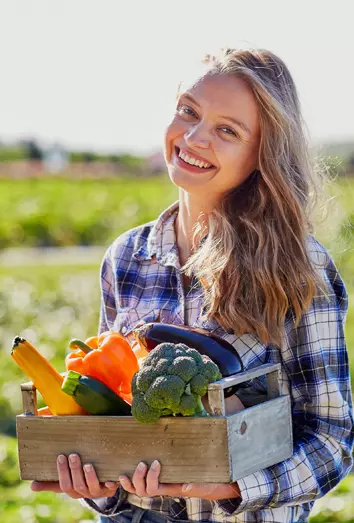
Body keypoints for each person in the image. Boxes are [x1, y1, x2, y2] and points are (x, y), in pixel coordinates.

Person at [31, 48, 354, 522]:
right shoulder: (125, 258)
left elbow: (331, 437)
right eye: (188, 111)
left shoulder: (297, 267)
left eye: (228, 130)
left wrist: (234, 487)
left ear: (262, 153)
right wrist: (95, 485)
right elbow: (107, 420)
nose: (195, 137)